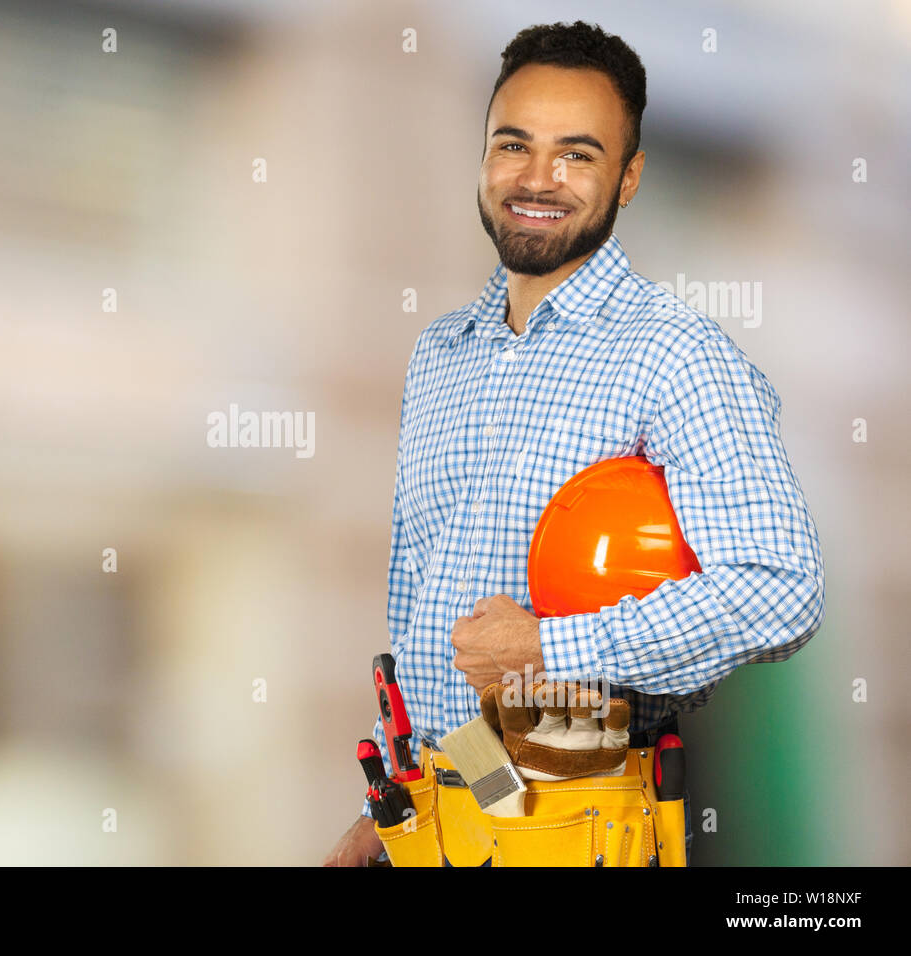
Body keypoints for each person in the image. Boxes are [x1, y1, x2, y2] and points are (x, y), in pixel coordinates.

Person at [323, 20, 825, 867]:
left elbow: (781, 590)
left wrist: (550, 649)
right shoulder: (441, 356)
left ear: (628, 178)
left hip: (589, 821)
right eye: (513, 144)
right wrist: (402, 806)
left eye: (578, 154)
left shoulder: (675, 355)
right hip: (459, 817)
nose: (537, 177)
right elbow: (424, 613)